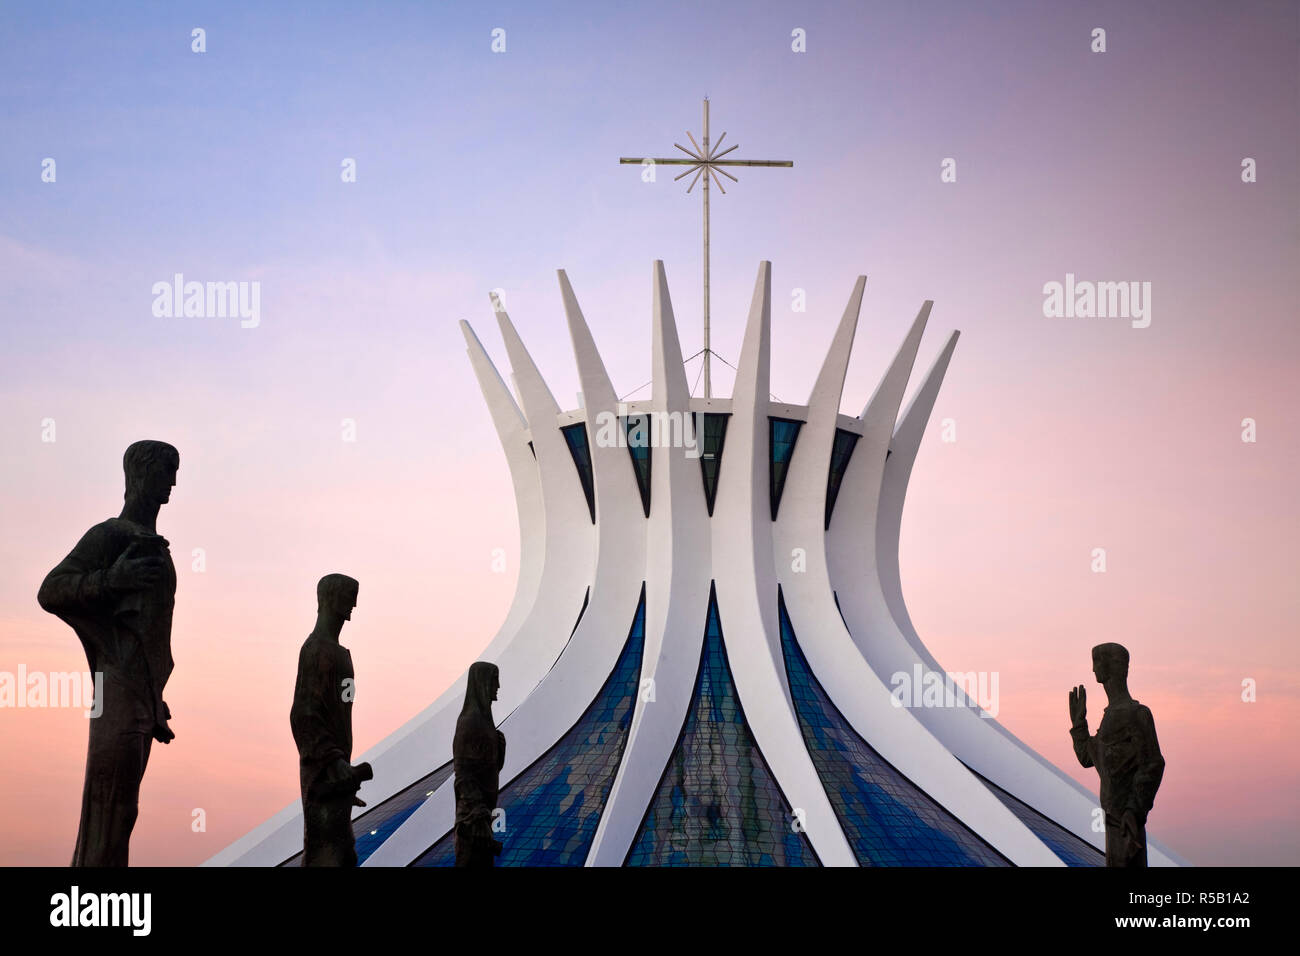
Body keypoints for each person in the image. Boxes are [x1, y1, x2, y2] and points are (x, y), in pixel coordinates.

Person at [38, 440, 179, 867]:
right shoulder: (111, 536)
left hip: (139, 699)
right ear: (140, 474)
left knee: (123, 812)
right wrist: (111, 580)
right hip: (115, 692)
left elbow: (144, 635)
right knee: (108, 810)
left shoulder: (155, 546)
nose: (173, 480)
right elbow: (51, 590)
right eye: (166, 469)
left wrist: (154, 699)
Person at [290, 573, 372, 866]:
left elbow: (341, 713)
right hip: (323, 773)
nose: (354, 604)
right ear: (330, 598)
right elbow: (303, 714)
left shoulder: (341, 655)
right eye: (349, 595)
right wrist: (332, 763)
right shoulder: (316, 650)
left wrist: (345, 773)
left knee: (340, 853)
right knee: (330, 854)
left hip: (338, 775)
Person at [1068, 643, 1165, 867]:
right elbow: (1087, 758)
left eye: (1096, 661)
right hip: (1112, 819)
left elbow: (1153, 764)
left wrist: (1134, 809)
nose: (1093, 670)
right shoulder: (1109, 716)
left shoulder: (1136, 714)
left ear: (1113, 666)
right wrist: (1078, 724)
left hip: (1127, 822)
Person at [452, 662, 505, 867]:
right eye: (494, 680)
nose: (498, 686)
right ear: (481, 683)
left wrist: (499, 745)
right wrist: (478, 810)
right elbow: (464, 775)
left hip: (483, 818)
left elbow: (489, 770)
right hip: (473, 821)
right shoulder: (471, 722)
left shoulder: (486, 724)